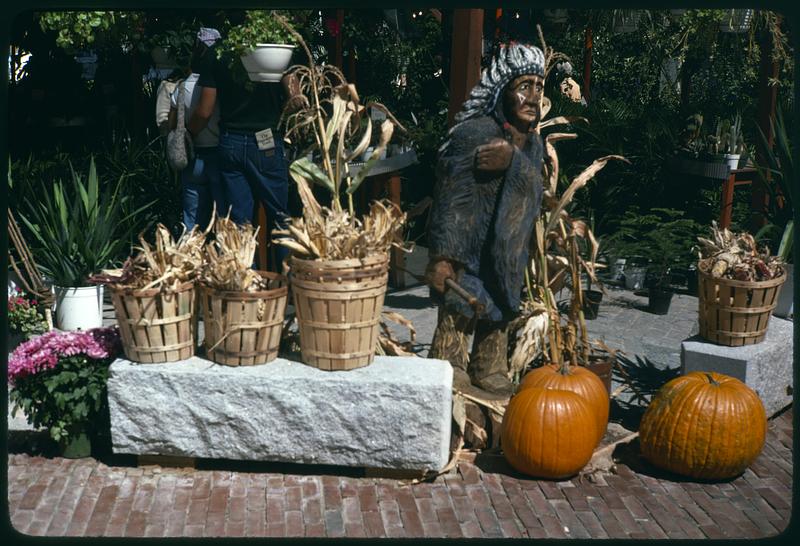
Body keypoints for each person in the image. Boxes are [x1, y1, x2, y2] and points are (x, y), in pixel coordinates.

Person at [425, 43, 546, 396]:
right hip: (470, 247)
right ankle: (450, 362)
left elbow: (534, 190)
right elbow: (452, 196)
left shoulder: (532, 145)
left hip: (506, 250)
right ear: (502, 90)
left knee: (501, 302)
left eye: (539, 88)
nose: (533, 97)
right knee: (462, 302)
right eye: (524, 86)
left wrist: (514, 162)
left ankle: (489, 364)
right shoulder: (475, 133)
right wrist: (444, 256)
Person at [188, 21, 306, 271]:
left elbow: (205, 109)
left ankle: (247, 288)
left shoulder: (218, 53)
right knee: (279, 216)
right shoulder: (274, 48)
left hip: (230, 142)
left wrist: (187, 133)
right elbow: (295, 95)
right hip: (266, 143)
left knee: (240, 223)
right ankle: (287, 284)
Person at [168, 27, 226, 231]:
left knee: (191, 220)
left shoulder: (182, 87)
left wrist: (186, 136)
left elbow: (171, 124)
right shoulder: (220, 85)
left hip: (192, 158)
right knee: (223, 220)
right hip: (219, 155)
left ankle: (187, 259)